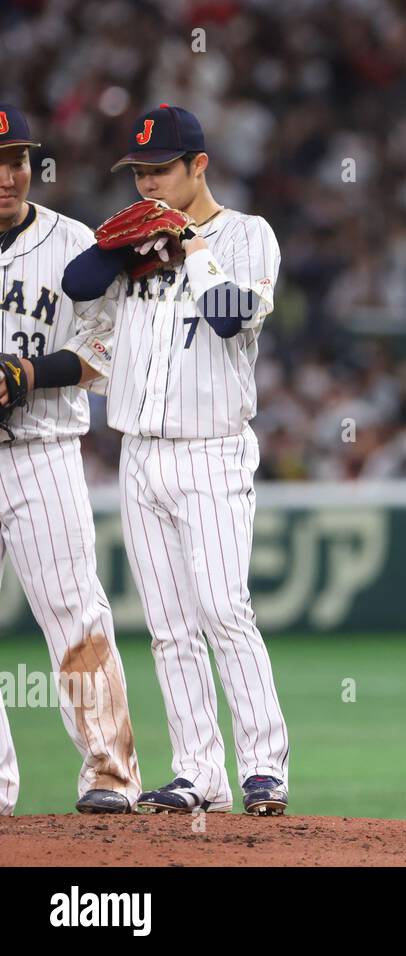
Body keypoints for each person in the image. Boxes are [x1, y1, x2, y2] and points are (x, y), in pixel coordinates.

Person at [53, 104, 290, 815]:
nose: (148, 184)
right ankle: (198, 772)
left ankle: (264, 768)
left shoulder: (248, 236)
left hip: (211, 450)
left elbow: (226, 314)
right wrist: (130, 244)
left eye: (161, 170)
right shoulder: (137, 241)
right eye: (139, 173)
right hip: (141, 454)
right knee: (168, 626)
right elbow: (76, 281)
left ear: (199, 166)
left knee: (223, 608)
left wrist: (187, 244)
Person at [0, 103, 142, 815]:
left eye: (18, 158)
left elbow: (102, 351)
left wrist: (25, 375)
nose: (8, 174)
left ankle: (110, 773)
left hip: (41, 450)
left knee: (75, 614)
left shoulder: (72, 244)